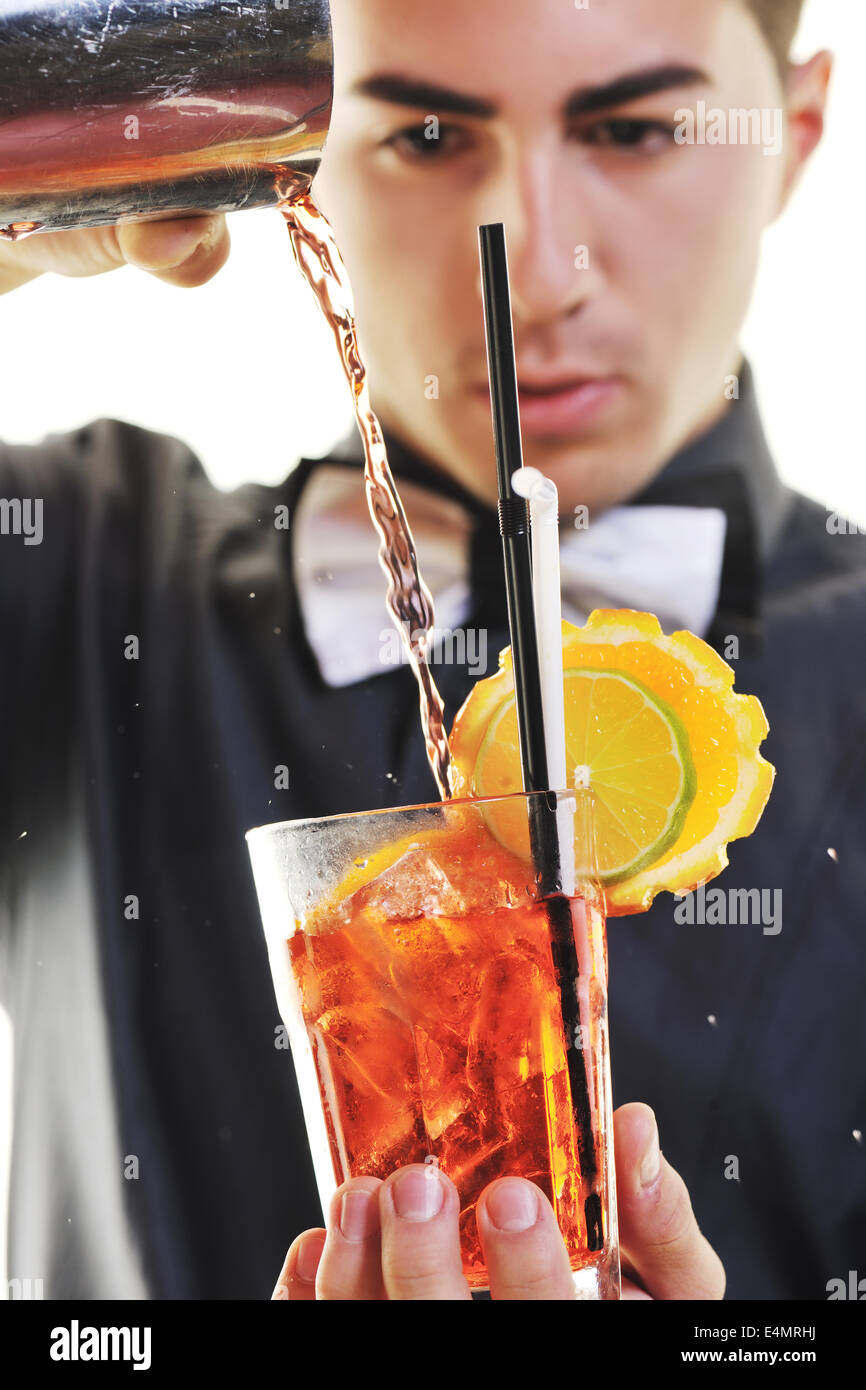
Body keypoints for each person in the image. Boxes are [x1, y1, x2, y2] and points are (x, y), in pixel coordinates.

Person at [0, 0, 861, 1301]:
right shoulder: (76, 574)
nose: (539, 271)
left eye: (632, 127)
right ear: (290, 153)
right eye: (420, 131)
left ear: (792, 135)